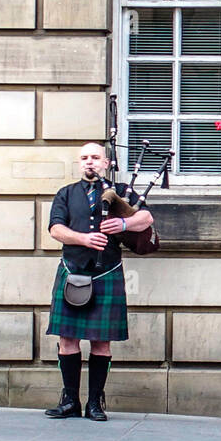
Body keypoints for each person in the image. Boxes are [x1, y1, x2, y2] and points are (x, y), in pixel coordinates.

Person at [44, 142, 154, 422]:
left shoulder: (121, 192)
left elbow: (146, 217)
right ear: (79, 163)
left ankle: (95, 403)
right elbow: (56, 229)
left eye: (95, 157)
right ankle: (69, 400)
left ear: (106, 163)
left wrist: (124, 225)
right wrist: (83, 238)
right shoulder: (66, 194)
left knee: (101, 342)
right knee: (67, 339)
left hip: (106, 271)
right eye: (84, 158)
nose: (89, 162)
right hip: (73, 271)